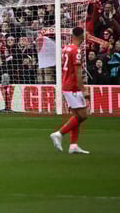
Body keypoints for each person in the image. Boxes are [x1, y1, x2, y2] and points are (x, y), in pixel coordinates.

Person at [51, 26, 91, 154]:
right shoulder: (76, 51)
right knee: (83, 115)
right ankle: (59, 133)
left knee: (76, 116)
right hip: (73, 87)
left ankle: (73, 145)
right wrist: (83, 89)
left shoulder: (66, 48)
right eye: (85, 33)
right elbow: (78, 73)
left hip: (66, 85)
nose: (86, 34)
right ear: (80, 35)